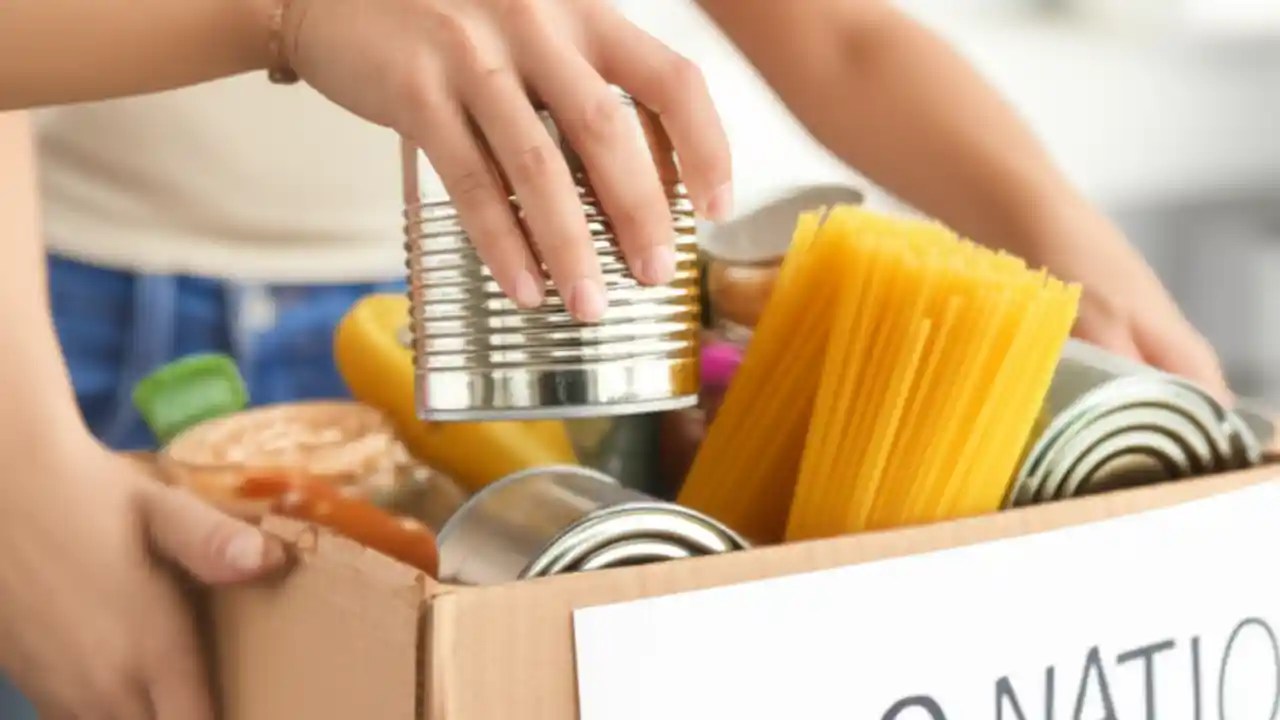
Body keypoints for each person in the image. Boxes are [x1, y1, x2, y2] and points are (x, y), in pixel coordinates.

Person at [0, 0, 1230, 717]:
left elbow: (835, 34)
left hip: (526, 340)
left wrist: (1078, 261)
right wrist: (22, 474)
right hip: (80, 360)